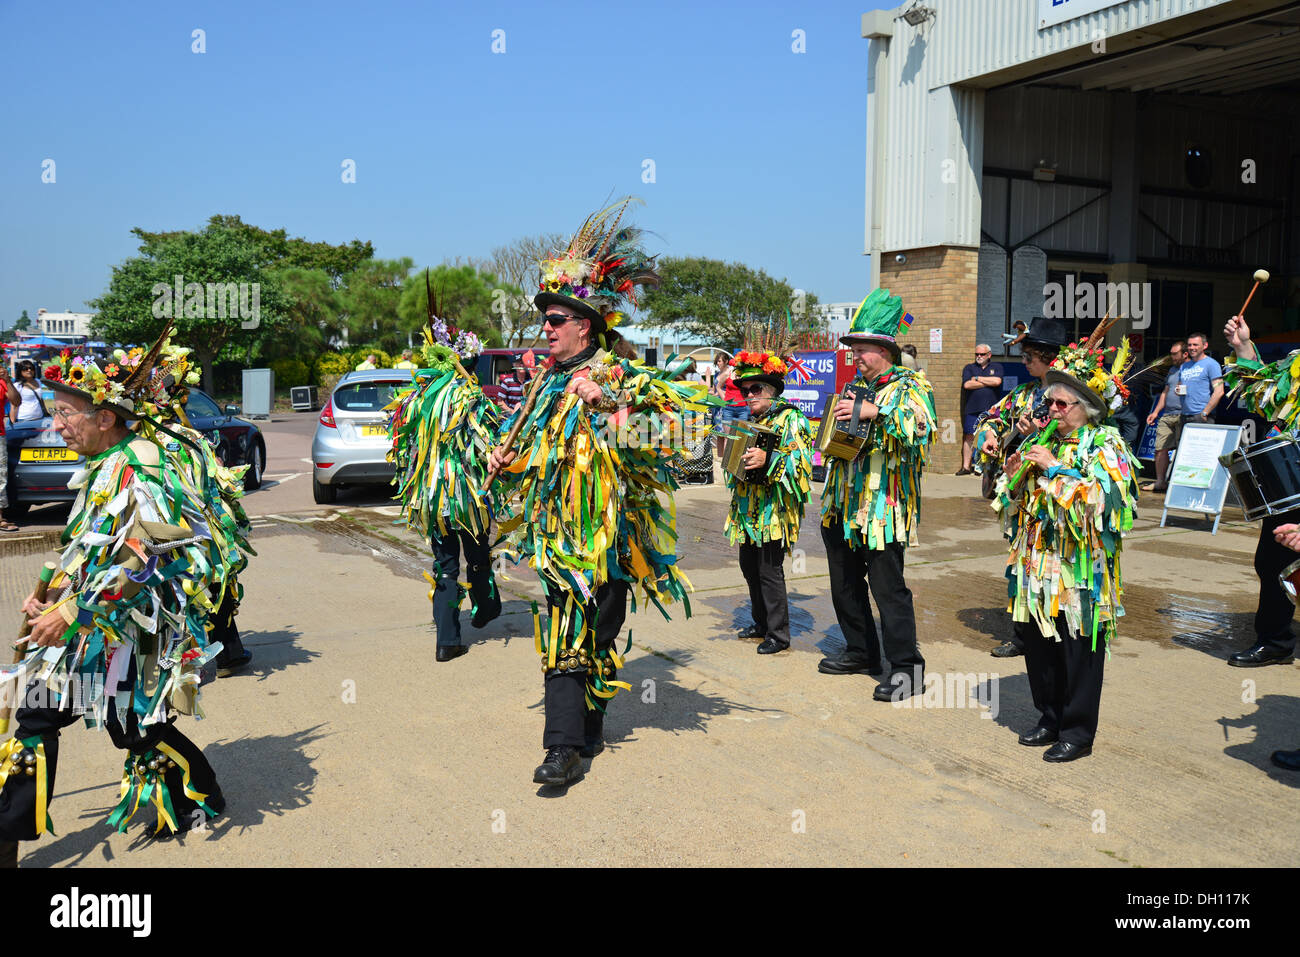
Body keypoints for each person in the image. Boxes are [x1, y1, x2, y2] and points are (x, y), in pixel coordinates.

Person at [0, 332, 251, 866]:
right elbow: (92, 547)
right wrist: (51, 592)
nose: (56, 425)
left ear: (106, 417)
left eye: (67, 413)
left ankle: (198, 791)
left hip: (128, 631)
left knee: (132, 725)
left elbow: (152, 553)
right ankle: (6, 836)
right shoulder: (104, 463)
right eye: (56, 413)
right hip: (93, 626)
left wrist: (73, 610)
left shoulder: (141, 465)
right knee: (40, 716)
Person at [487, 199, 710, 788]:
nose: (547, 330)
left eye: (556, 321)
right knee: (563, 630)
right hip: (559, 535)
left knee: (600, 634)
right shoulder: (542, 384)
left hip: (613, 538)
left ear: (585, 325)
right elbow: (535, 458)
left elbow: (682, 438)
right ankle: (561, 747)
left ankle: (588, 726)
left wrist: (610, 402)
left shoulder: (621, 373)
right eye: (546, 321)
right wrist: (505, 462)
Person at [996, 336, 1138, 763]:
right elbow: (1009, 498)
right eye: (1050, 403)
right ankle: (1049, 716)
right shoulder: (1046, 439)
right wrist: (1014, 462)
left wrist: (1055, 470)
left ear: (1086, 408)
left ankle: (1077, 731)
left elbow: (1103, 502)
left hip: (1080, 569)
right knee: (1041, 642)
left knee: (1078, 647)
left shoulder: (1106, 445)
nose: (1052, 411)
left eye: (1061, 404)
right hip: (1037, 562)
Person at [817, 289, 935, 701]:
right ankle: (861, 651)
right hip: (844, 505)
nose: (857, 357)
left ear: (885, 349)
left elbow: (921, 427)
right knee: (844, 584)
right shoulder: (855, 386)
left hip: (884, 507)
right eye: (855, 350)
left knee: (889, 589)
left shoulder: (910, 385)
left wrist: (874, 412)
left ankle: (907, 670)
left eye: (863, 350)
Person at [389, 306, 501, 662]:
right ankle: (484, 609)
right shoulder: (472, 398)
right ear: (468, 365)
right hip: (469, 494)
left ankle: (447, 640)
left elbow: (403, 447)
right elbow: (489, 444)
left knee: (446, 565)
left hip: (433, 497)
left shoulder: (416, 398)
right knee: (478, 555)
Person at [973, 316, 1071, 657]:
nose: (1024, 361)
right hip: (1022, 497)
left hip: (1057, 496)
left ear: (1048, 356)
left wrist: (1033, 436)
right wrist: (988, 435)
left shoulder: (1071, 398)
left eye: (1029, 356)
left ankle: (1057, 631)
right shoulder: (1026, 393)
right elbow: (991, 417)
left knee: (1057, 565)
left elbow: (1076, 444)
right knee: (1021, 562)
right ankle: (1023, 634)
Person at [1221, 315, 1300, 672]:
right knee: (1272, 562)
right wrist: (1242, 346)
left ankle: (1276, 640)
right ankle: (1275, 641)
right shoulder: (1297, 366)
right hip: (1291, 485)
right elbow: (1266, 391)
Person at [724, 346, 813, 654]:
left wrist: (769, 457)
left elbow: (802, 463)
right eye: (745, 390)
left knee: (768, 570)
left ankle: (778, 633)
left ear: (773, 390)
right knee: (748, 566)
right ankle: (760, 622)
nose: (749, 395)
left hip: (774, 510)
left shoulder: (792, 418)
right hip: (748, 510)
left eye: (755, 388)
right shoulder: (748, 421)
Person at [1141, 340, 1187, 493]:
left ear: (1184, 354)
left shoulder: (1193, 369)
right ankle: (1160, 482)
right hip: (1167, 414)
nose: (1172, 357)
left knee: (1183, 450)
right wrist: (1155, 412)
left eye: (1175, 354)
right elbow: (1165, 392)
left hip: (1184, 415)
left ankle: (1181, 484)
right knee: (1160, 448)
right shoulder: (1172, 370)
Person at [959, 343, 1003, 474]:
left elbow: (997, 382)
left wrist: (978, 379)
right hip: (972, 409)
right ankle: (966, 467)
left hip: (991, 411)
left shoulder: (997, 366)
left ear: (989, 355)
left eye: (982, 354)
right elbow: (967, 384)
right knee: (969, 436)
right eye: (977, 354)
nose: (979, 356)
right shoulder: (969, 368)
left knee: (988, 436)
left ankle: (982, 468)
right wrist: (988, 383)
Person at [1177, 332, 1223, 425]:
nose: (1191, 348)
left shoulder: (1211, 364)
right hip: (1185, 415)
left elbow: (1219, 391)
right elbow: (1180, 386)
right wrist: (1178, 390)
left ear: (1205, 345)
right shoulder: (1184, 366)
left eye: (1195, 345)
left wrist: (1205, 413)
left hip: (1201, 416)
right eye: (1189, 345)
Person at [714, 355, 750, 458]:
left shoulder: (744, 375)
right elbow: (718, 387)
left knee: (741, 437)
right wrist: (725, 399)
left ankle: (738, 461)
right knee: (728, 437)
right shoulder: (728, 374)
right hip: (728, 409)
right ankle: (726, 462)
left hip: (743, 409)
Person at [0, 368, 20, 531]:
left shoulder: (2, 383)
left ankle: (0, 518)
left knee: (0, 475)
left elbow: (16, 401)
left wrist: (7, 381)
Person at [9, 359, 46, 424]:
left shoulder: (38, 381)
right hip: (23, 420)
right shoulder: (17, 386)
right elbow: (14, 405)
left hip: (40, 418)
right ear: (20, 371)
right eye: (25, 369)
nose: (29, 370)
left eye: (31, 368)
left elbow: (40, 399)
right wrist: (12, 423)